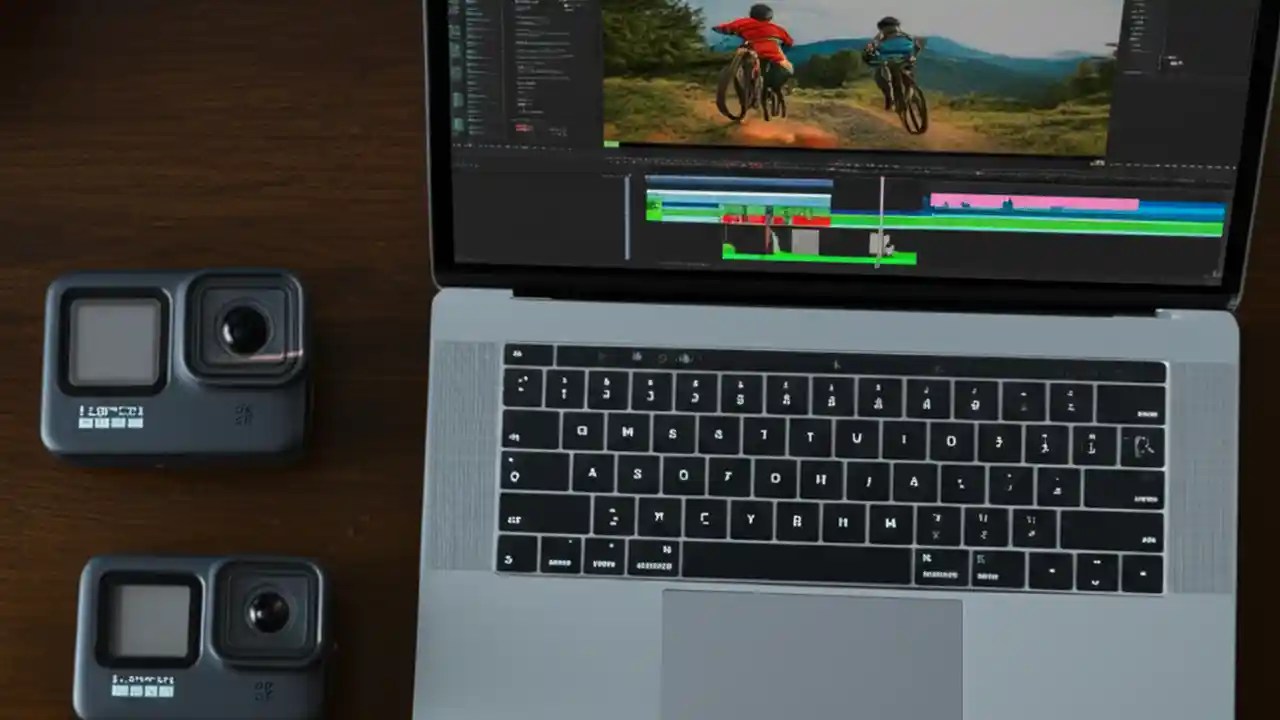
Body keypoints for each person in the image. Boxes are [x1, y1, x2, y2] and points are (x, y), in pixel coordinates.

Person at [712, 4, 796, 93]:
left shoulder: (743, 22)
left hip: (750, 51)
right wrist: (783, 50)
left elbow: (724, 28)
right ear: (769, 16)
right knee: (788, 70)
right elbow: (789, 42)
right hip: (773, 56)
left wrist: (716, 29)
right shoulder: (777, 29)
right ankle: (771, 87)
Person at [863, 16, 924, 110]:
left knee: (880, 76)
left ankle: (890, 98)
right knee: (908, 77)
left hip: (888, 63)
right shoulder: (908, 38)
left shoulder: (879, 40)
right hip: (905, 61)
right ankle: (908, 95)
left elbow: (870, 50)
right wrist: (913, 56)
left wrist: (869, 56)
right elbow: (917, 47)